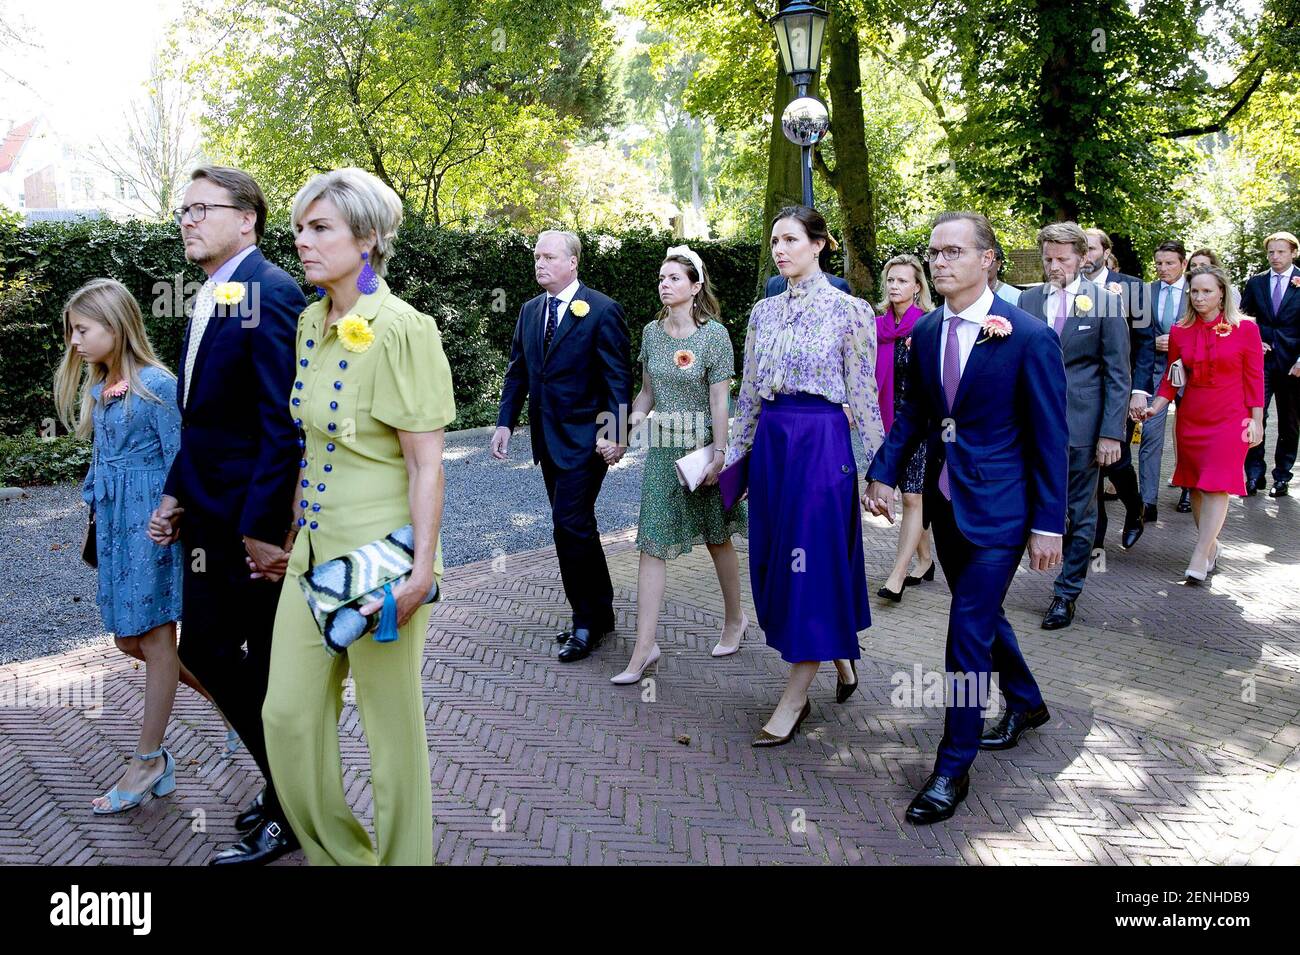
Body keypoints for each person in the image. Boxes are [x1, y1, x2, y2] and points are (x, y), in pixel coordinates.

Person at [259, 167, 455, 866]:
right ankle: (343, 854)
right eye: (299, 229)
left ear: (367, 239)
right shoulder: (310, 322)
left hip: (381, 559)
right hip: (312, 552)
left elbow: (426, 463)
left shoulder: (402, 328)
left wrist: (421, 570)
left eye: (320, 229)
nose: (303, 243)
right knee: (284, 715)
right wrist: (290, 526)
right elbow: (310, 439)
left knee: (390, 729)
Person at [865, 211, 1068, 825]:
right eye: (934, 252)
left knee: (965, 629)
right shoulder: (925, 334)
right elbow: (916, 413)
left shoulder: (1029, 338)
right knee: (982, 618)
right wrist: (883, 469)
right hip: (947, 505)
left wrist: (1049, 524)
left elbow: (1051, 437)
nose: (938, 261)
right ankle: (1027, 701)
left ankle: (952, 767)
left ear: (988, 260)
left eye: (953, 252)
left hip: (1003, 510)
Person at [147, 166, 306, 865]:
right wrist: (176, 492)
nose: (186, 219)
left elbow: (283, 424)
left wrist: (263, 529)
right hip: (207, 516)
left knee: (245, 662)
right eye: (182, 209)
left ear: (247, 219)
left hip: (249, 530)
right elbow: (203, 421)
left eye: (201, 208)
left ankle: (294, 805)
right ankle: (289, 794)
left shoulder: (272, 292)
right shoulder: (210, 295)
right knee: (225, 657)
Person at [726, 205, 886, 746]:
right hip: (772, 443)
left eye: (791, 239)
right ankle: (838, 653)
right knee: (773, 560)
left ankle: (794, 699)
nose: (780, 249)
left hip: (821, 446)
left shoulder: (851, 311)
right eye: (774, 240)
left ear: (819, 244)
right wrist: (732, 459)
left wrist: (880, 470)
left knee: (811, 564)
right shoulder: (762, 313)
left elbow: (864, 394)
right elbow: (748, 392)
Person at [56, 279, 214, 813]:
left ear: (115, 326)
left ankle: (148, 759)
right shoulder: (102, 388)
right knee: (131, 641)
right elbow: (103, 460)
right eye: (71, 332)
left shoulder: (157, 386)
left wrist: (174, 518)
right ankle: (234, 703)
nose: (74, 342)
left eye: (82, 330)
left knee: (155, 641)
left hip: (152, 529)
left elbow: (184, 458)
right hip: (117, 530)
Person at [492, 231, 634, 663]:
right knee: (578, 525)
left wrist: (617, 434)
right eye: (537, 256)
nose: (540, 263)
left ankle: (585, 622)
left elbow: (617, 379)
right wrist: (505, 423)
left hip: (587, 441)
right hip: (546, 441)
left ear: (572, 262)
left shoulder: (603, 310)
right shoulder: (529, 311)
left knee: (567, 524)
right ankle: (601, 610)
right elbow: (519, 371)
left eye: (549, 256)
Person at [613, 246, 748, 684]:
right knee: (652, 544)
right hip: (662, 455)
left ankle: (735, 619)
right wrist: (621, 436)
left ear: (695, 287)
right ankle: (643, 647)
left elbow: (719, 399)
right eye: (661, 277)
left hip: (702, 453)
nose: (664, 284)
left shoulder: (715, 336)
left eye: (674, 278)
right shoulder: (652, 333)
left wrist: (723, 454)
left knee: (717, 537)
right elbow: (647, 395)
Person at [1016, 223, 1129, 630]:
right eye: (1048, 258)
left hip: (1082, 426)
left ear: (1083, 258)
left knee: (1080, 514)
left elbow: (1117, 373)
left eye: (1062, 259)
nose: (1054, 266)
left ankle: (1066, 594)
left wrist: (1110, 433)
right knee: (1022, 501)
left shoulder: (1105, 303)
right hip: (1028, 426)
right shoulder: (1026, 300)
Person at [1138, 266, 1264, 581]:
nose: (1199, 297)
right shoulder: (1181, 331)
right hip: (1192, 415)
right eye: (1194, 291)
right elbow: (1171, 379)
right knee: (1195, 484)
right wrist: (1155, 407)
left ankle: (1200, 551)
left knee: (1217, 483)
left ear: (1222, 292)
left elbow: (1255, 378)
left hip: (1231, 416)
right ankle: (1212, 546)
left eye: (1207, 291)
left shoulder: (1245, 328)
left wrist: (1257, 420)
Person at [873, 254, 936, 601]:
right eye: (891, 280)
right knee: (902, 494)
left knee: (912, 495)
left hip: (919, 422)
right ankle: (925, 560)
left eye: (902, 281)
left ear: (917, 287)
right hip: (885, 421)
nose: (895, 286)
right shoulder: (876, 325)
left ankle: (896, 576)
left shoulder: (927, 325)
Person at [1084, 227, 1148, 551]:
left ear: (1107, 252)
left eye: (1092, 248)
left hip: (1120, 389)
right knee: (1089, 464)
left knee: (1117, 460)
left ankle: (1135, 507)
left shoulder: (1133, 288)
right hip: (1083, 393)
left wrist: (1139, 389)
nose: (1087, 255)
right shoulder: (1068, 290)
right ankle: (1095, 535)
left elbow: (1146, 344)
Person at [1131, 240, 1188, 522]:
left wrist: (1179, 342)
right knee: (1150, 436)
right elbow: (1138, 335)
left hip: (1191, 374)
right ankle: (1148, 501)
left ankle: (1189, 489)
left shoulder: (1196, 291)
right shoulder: (1145, 292)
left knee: (1189, 436)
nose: (1163, 269)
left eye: (1170, 264)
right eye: (1159, 264)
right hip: (1154, 372)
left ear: (1183, 264)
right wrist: (1154, 342)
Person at [1240, 231, 1300, 498]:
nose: (1275, 257)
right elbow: (1243, 317)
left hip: (1293, 364)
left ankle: (1282, 477)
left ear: (1293, 253)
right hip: (1259, 363)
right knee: (1254, 417)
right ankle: (1253, 474)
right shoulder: (1256, 283)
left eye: (1281, 252)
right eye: (1271, 252)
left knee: (1289, 422)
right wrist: (1254, 341)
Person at [989, 240, 1021, 306]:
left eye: (989, 260)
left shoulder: (1015, 297)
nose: (985, 265)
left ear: (999, 263)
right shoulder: (965, 294)